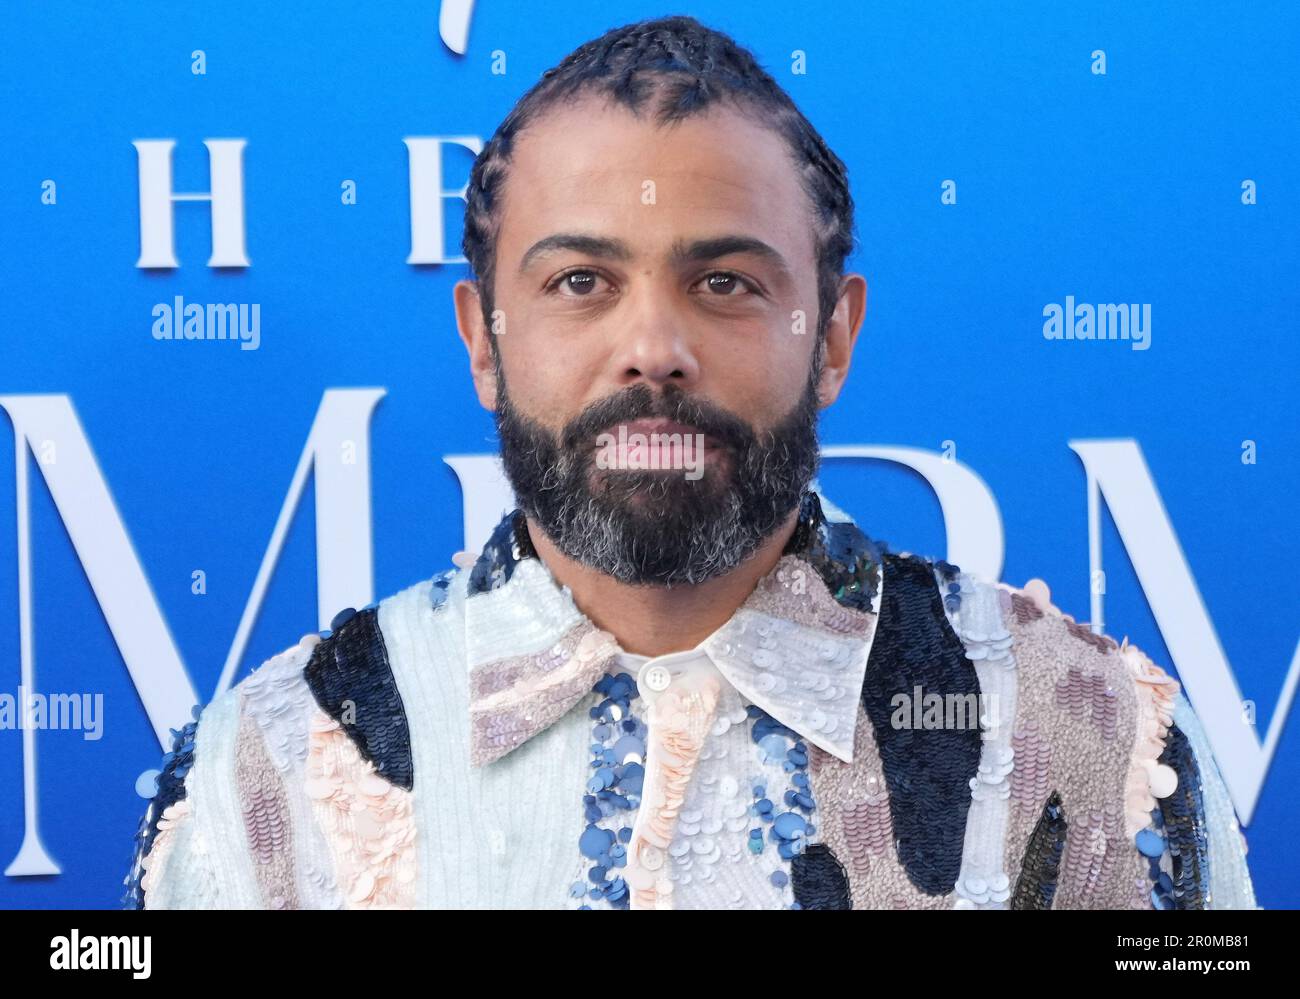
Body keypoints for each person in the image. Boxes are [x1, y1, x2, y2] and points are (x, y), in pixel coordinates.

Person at [123, 14, 1256, 910]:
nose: (653, 350)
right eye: (581, 283)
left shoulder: (1092, 734)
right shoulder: (264, 773)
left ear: (835, 336)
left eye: (724, 283)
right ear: (481, 337)